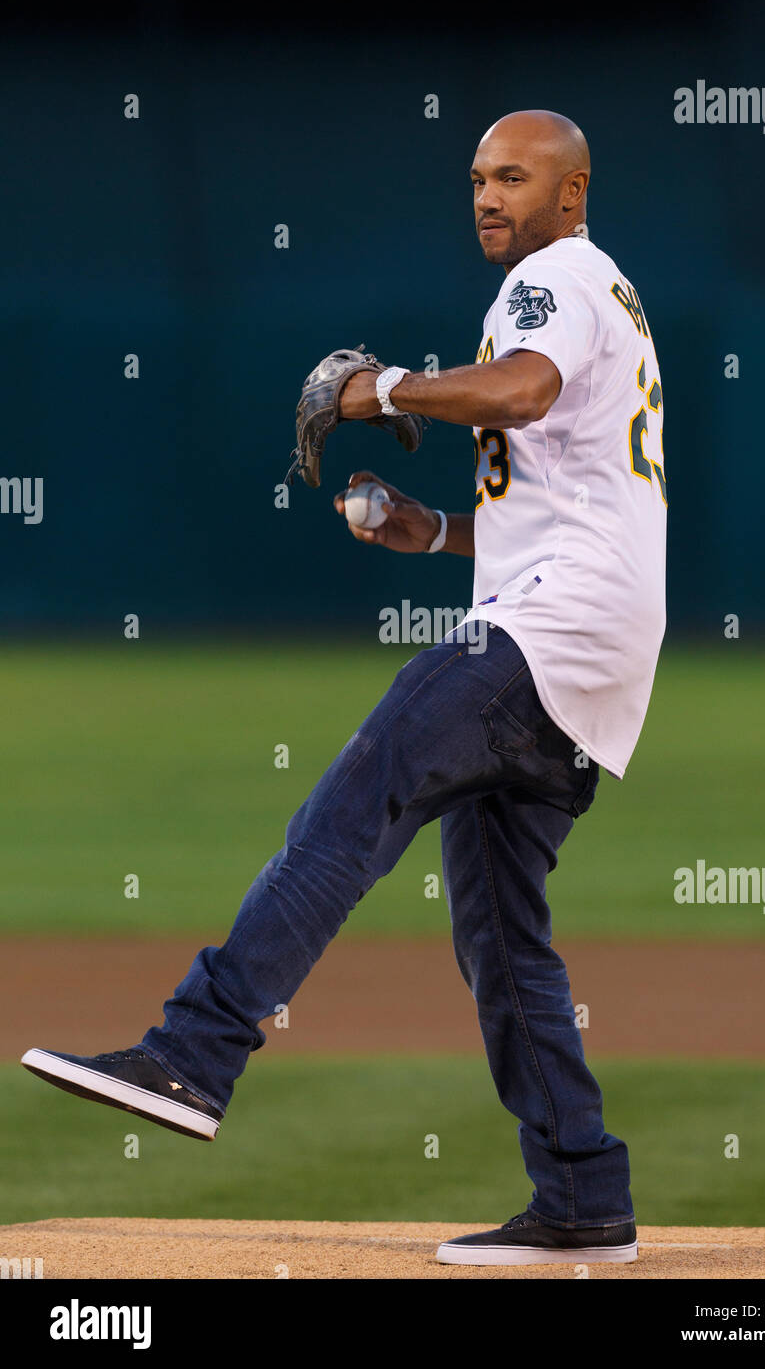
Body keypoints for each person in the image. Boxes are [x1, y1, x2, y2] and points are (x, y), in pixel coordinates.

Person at [22, 109, 667, 1267]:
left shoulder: (554, 278)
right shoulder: (600, 290)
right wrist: (433, 537)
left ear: (571, 195)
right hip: (592, 641)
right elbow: (562, 496)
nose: (487, 196)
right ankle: (579, 1191)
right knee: (499, 928)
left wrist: (386, 388)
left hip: (553, 633)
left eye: (513, 177)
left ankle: (195, 1048)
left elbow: (517, 392)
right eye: (476, 176)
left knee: (364, 783)